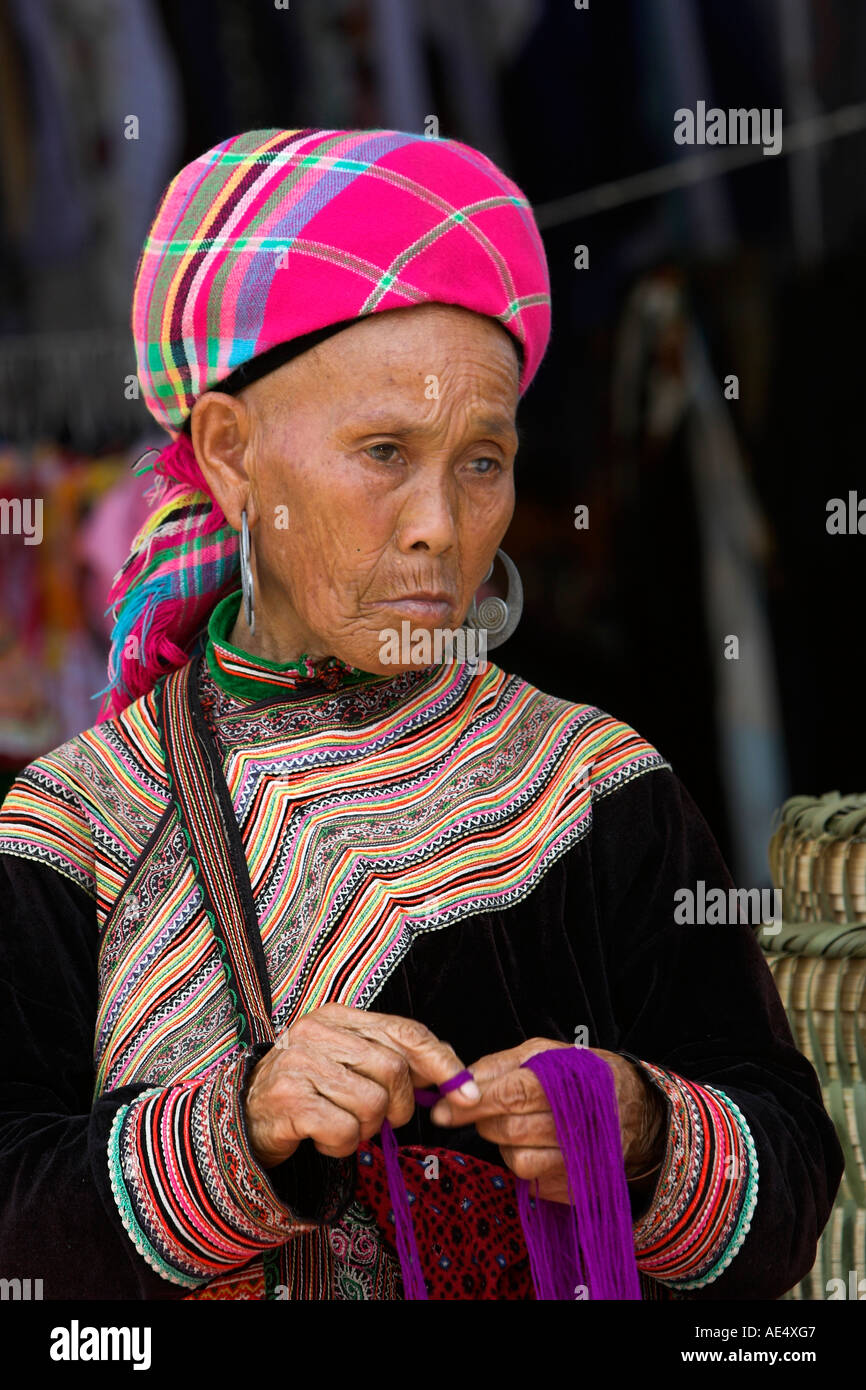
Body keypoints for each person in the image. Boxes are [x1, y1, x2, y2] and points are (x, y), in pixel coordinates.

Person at [0, 127, 842, 1301]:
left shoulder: (595, 787)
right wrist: (237, 1126)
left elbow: (790, 1179)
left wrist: (640, 1128)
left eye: (482, 461)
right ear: (231, 454)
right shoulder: (79, 826)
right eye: (384, 451)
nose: (439, 527)